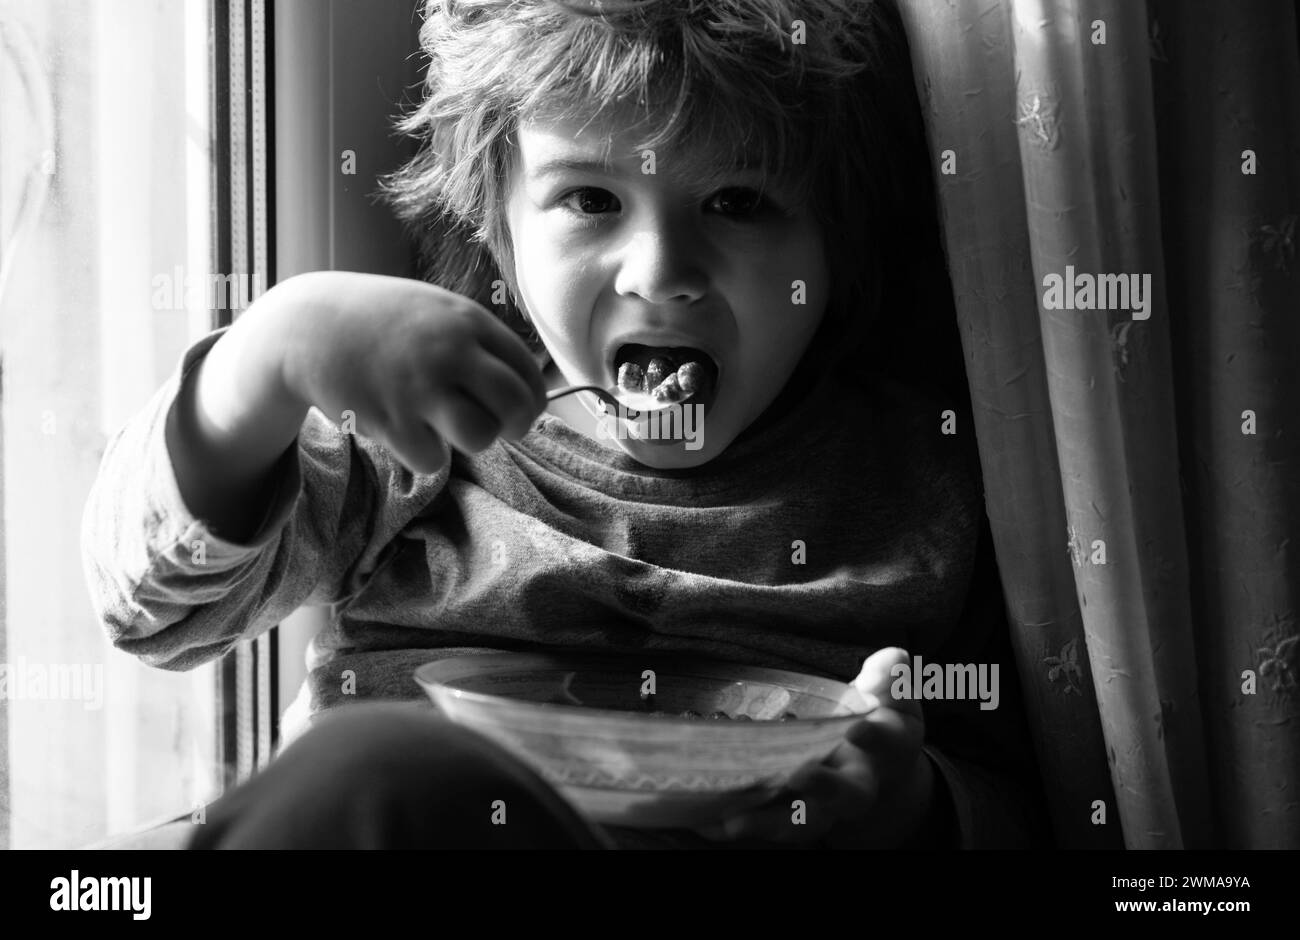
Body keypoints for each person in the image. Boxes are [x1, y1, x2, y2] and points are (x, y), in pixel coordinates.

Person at [81, 0, 1047, 849]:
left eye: (738, 201)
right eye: (590, 199)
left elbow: (1046, 802)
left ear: (836, 242)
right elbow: (152, 609)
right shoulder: (427, 426)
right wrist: (270, 353)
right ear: (496, 225)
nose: (660, 270)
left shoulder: (934, 481)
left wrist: (911, 803)